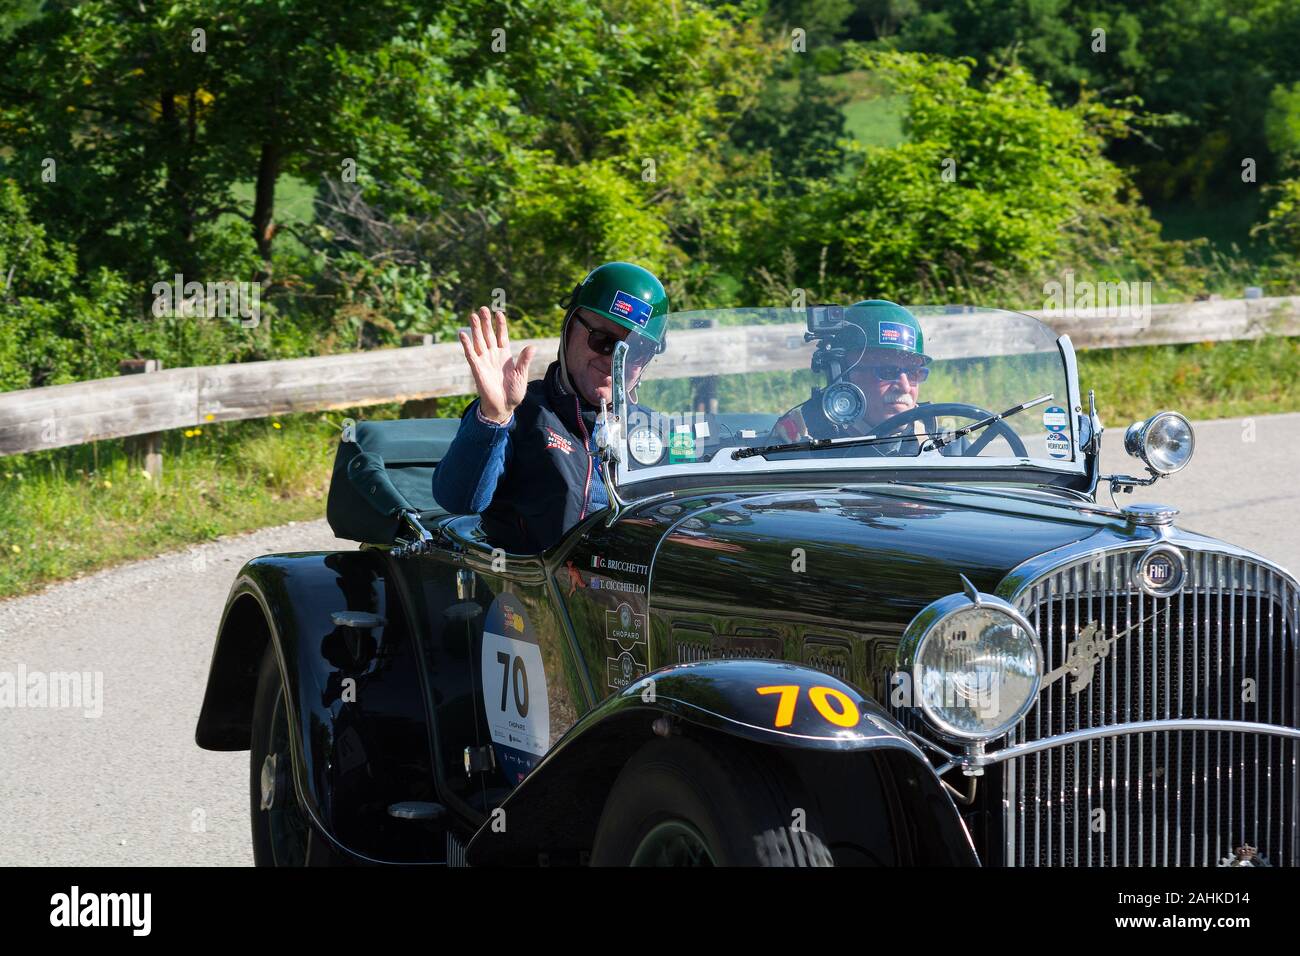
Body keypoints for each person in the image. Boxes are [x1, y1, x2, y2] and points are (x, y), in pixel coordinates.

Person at [432, 261, 668, 553]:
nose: (613, 361)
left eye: (636, 350)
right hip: (531, 593)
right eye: (603, 341)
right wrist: (494, 417)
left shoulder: (656, 431)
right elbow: (459, 499)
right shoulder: (522, 413)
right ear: (569, 329)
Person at [770, 299, 938, 455]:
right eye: (888, 372)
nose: (905, 387)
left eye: (913, 373)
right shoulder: (797, 442)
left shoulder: (940, 442)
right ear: (844, 374)